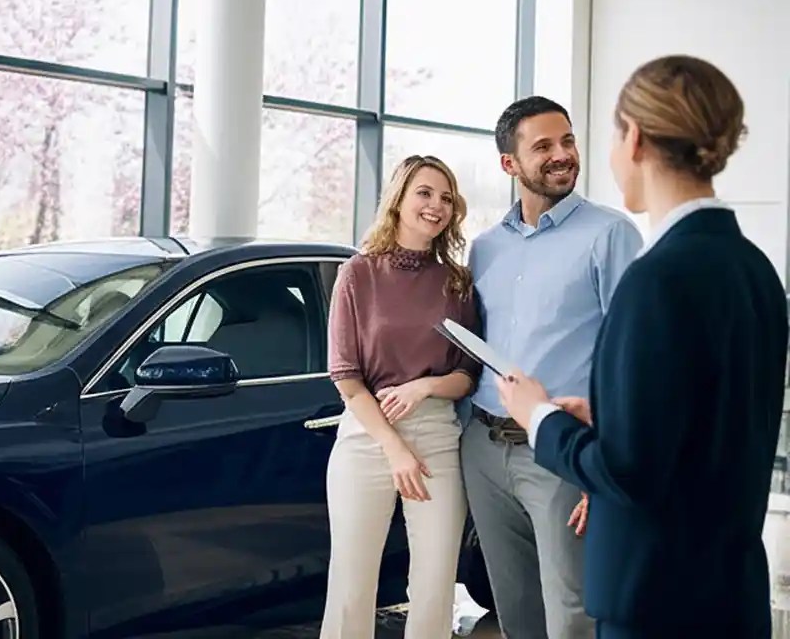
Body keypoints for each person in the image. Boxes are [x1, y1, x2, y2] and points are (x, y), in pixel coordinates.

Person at [497, 55, 788, 638]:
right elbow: (712, 424)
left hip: (657, 601)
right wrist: (608, 415)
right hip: (728, 596)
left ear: (633, 138)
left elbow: (630, 474)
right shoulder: (754, 268)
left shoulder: (656, 279)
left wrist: (540, 418)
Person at [461, 96, 644, 639]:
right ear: (509, 163)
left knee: (573, 615)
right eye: (543, 146)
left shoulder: (611, 236)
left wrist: (603, 464)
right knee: (514, 608)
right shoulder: (485, 248)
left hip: (563, 453)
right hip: (484, 448)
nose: (562, 154)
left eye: (567, 141)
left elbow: (631, 360)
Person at [320, 155, 483, 639]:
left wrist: (425, 386)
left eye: (446, 198)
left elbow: (468, 374)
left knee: (434, 585)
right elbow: (346, 377)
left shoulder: (456, 282)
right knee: (351, 584)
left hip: (436, 434)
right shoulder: (358, 275)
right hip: (367, 436)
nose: (436, 206)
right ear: (399, 200)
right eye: (425, 193)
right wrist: (394, 449)